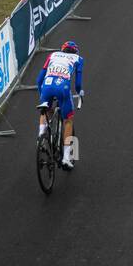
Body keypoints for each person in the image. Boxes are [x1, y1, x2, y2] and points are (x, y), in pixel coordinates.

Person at [37, 40, 84, 170]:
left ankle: (40, 136)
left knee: (45, 110)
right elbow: (78, 84)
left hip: (46, 86)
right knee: (68, 120)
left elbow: (39, 80)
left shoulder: (52, 55)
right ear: (75, 51)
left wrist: (42, 98)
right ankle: (66, 158)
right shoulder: (78, 58)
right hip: (62, 88)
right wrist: (80, 93)